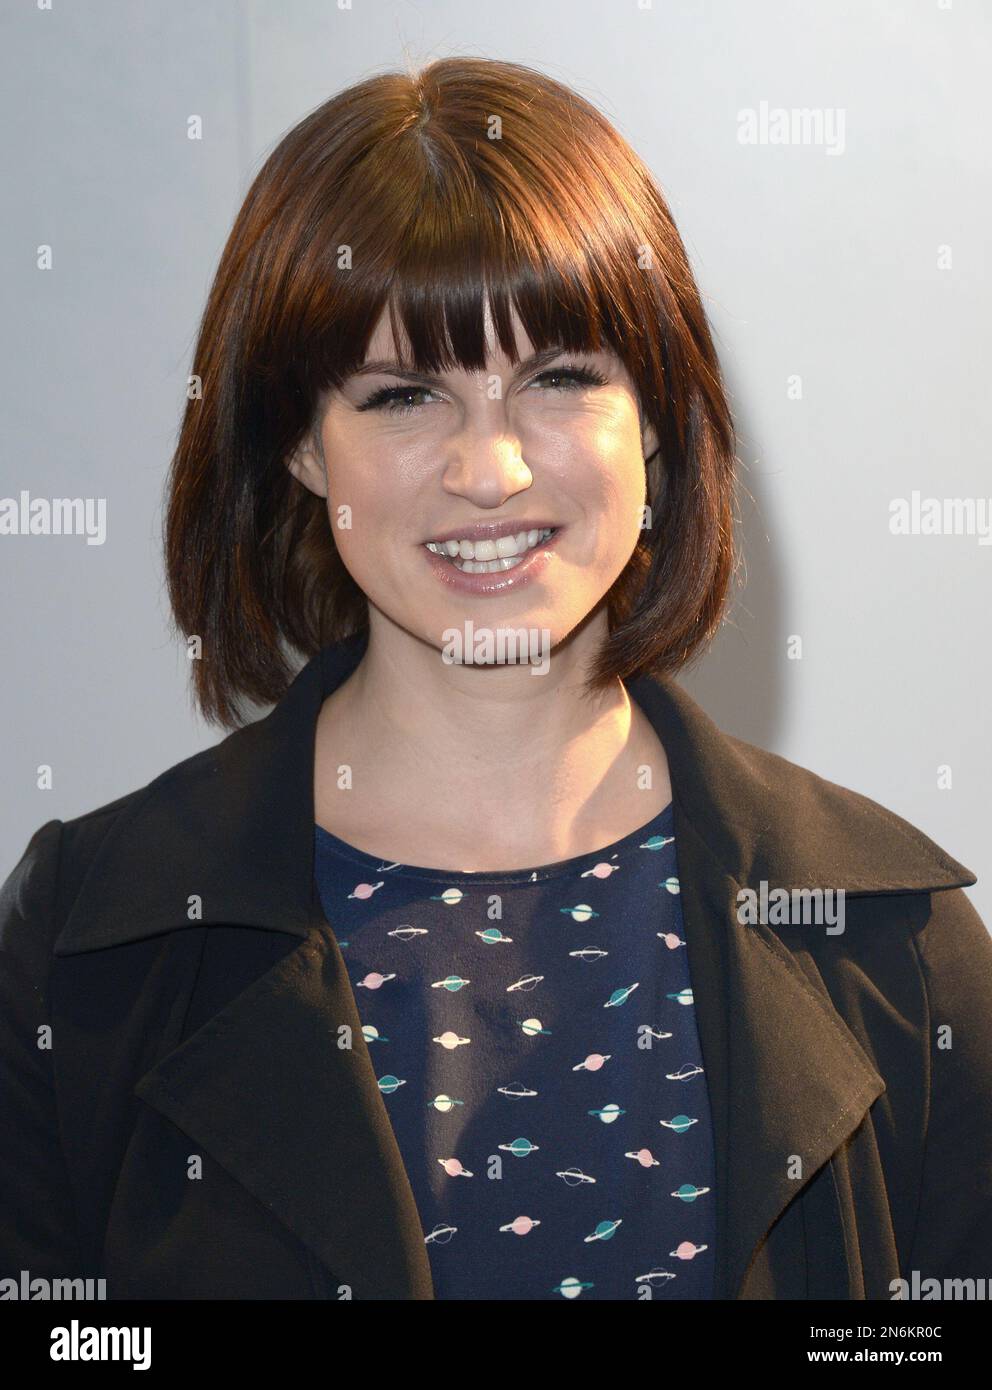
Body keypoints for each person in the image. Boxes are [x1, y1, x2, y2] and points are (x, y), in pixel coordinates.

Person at [1, 56, 990, 1303]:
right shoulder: (94, 944)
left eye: (561, 379)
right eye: (405, 392)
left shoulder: (893, 940)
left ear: (656, 421)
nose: (491, 469)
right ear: (303, 444)